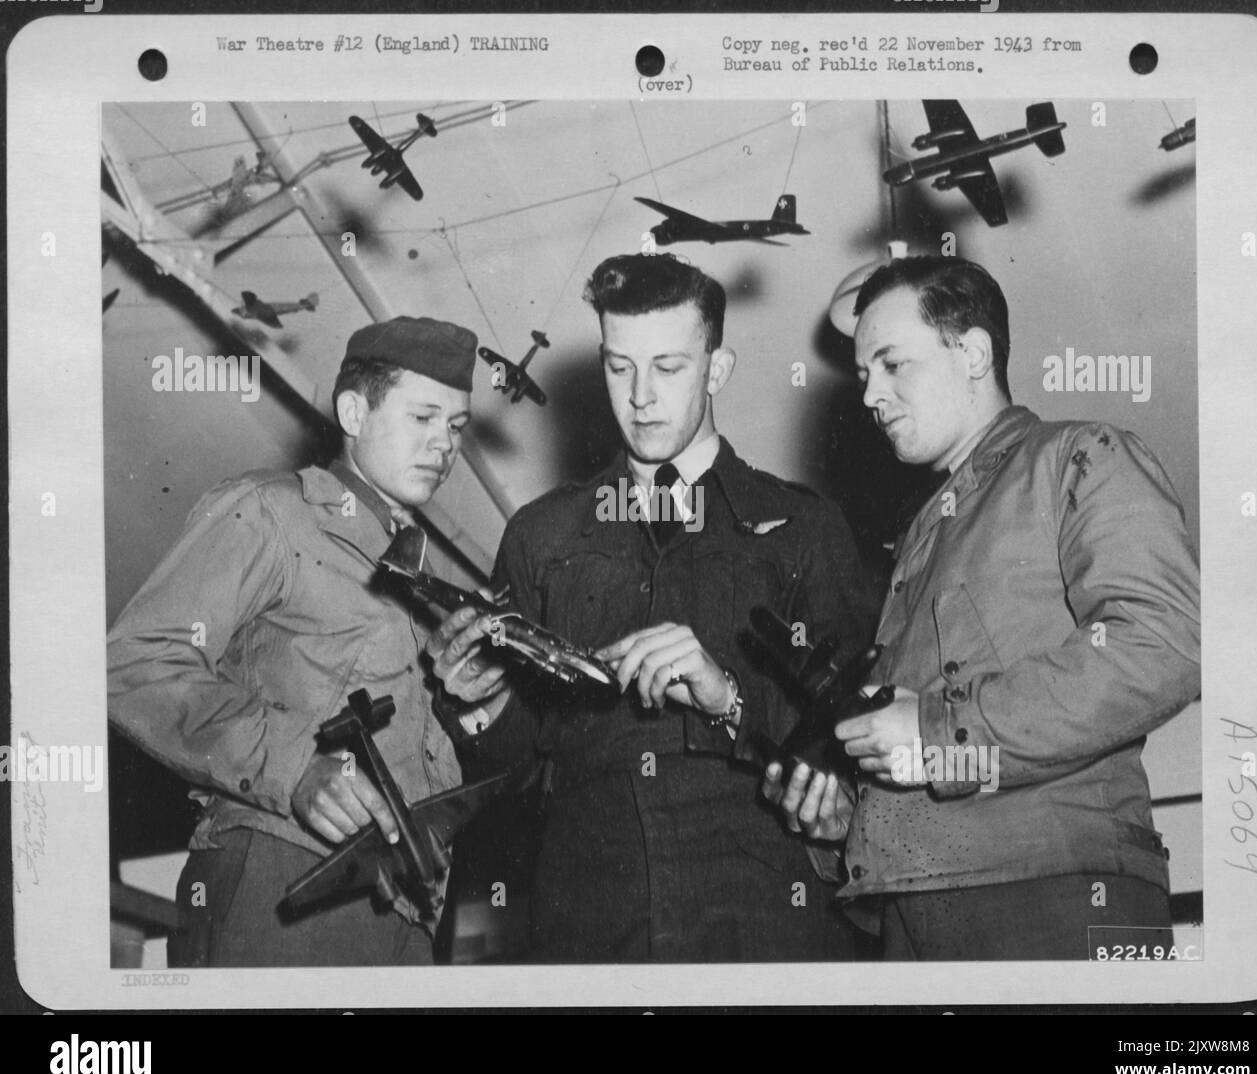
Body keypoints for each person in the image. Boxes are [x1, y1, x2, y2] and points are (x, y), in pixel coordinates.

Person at [428, 253, 877, 962]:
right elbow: (513, 773)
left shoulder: (801, 528)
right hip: (590, 915)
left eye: (668, 367)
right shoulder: (541, 536)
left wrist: (727, 695)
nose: (640, 396)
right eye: (618, 367)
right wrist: (477, 707)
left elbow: (858, 739)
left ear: (717, 370)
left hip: (763, 909)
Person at [765, 255, 1200, 960]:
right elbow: (923, 762)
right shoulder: (919, 537)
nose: (870, 394)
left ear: (972, 352)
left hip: (1052, 893)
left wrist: (937, 732)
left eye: (891, 363)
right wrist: (846, 818)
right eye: (863, 373)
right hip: (913, 913)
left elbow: (1166, 641)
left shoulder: (1076, 456)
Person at [107, 316, 480, 966]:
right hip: (285, 878)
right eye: (423, 417)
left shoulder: (422, 588)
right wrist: (293, 770)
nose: (444, 444)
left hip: (402, 916)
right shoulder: (273, 511)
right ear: (353, 412)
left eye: (455, 427)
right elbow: (137, 662)